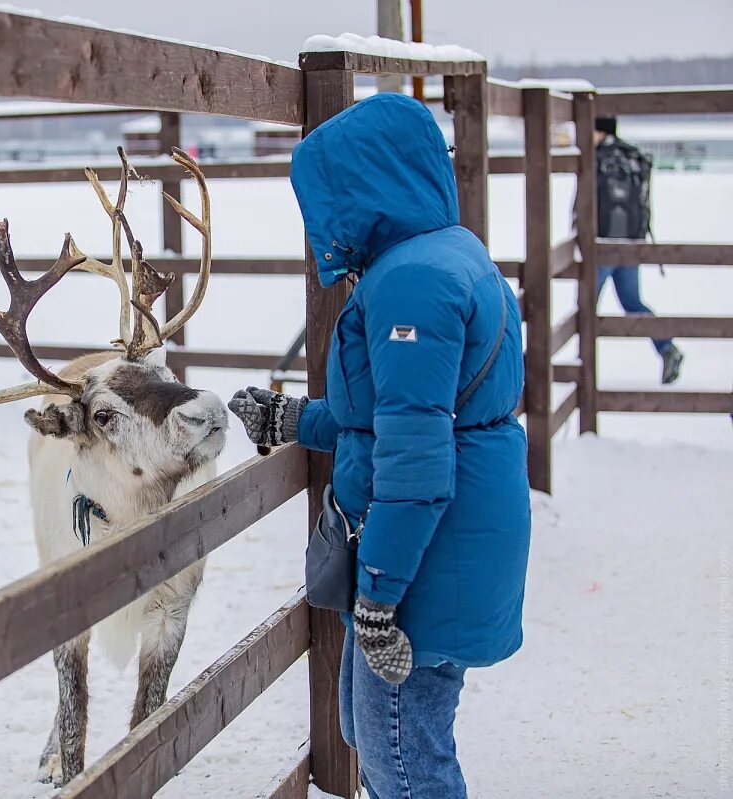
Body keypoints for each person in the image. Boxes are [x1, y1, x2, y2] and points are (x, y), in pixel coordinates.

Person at [227, 94, 530, 798]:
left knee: (405, 763)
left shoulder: (412, 283)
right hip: (444, 546)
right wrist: (295, 419)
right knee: (383, 738)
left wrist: (378, 598)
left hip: (426, 561)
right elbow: (399, 420)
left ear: (362, 186)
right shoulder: (439, 254)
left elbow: (416, 464)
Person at [593, 116, 684, 384]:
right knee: (632, 302)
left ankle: (579, 371)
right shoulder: (631, 157)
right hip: (630, 246)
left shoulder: (600, 158)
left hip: (603, 246)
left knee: (586, 307)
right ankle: (667, 347)